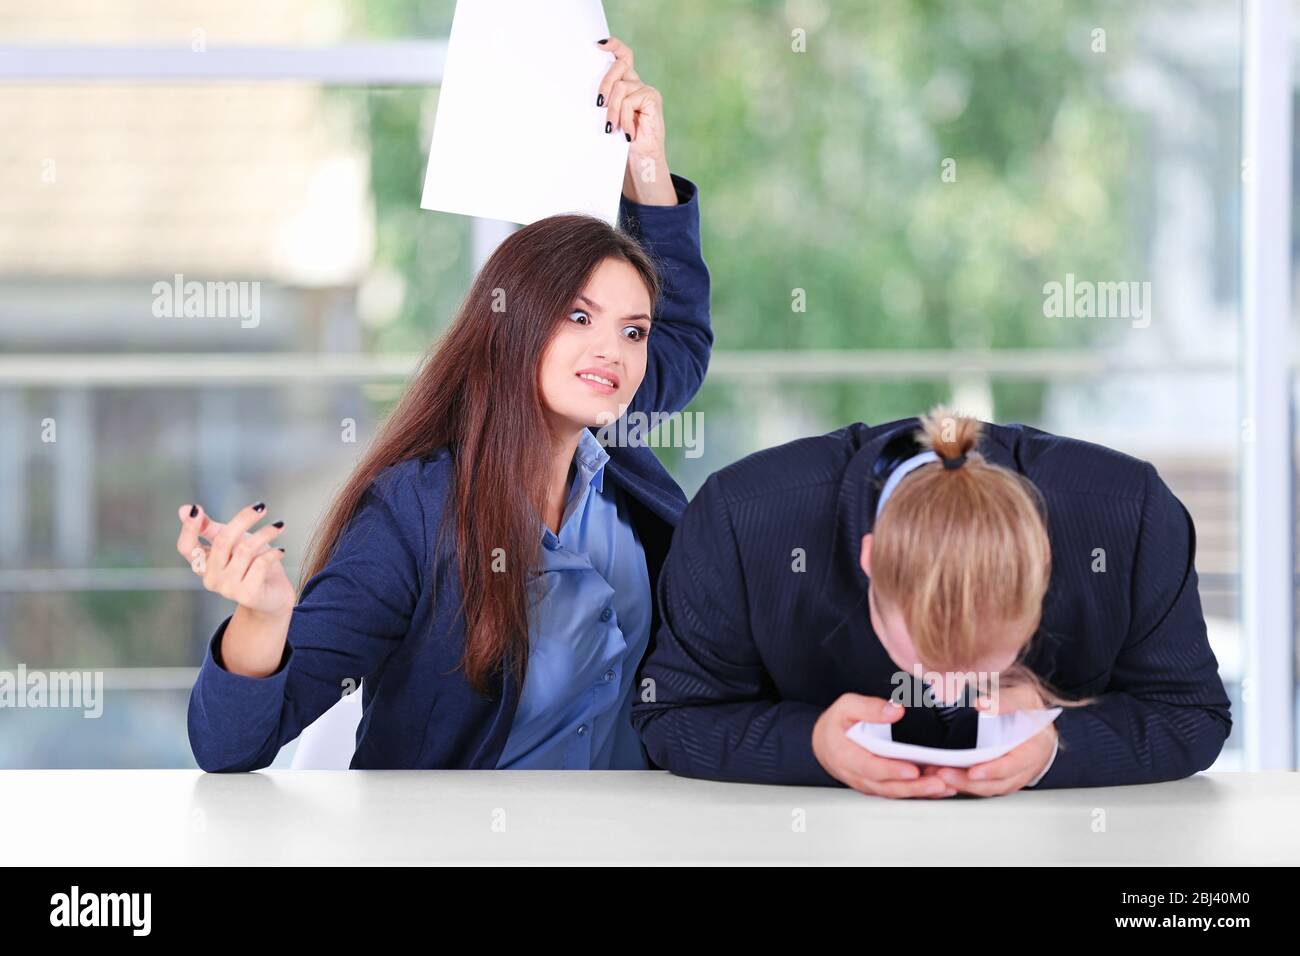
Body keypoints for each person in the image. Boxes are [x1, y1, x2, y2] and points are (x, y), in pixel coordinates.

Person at [179, 38, 712, 772]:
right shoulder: (414, 514)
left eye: (632, 332)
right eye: (579, 318)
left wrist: (644, 160)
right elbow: (229, 746)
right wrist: (264, 617)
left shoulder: (616, 452)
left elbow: (679, 330)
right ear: (515, 324)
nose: (613, 353)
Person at [632, 407, 1231, 797]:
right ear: (869, 564)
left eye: (977, 662)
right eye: (925, 662)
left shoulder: (1131, 515)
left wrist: (1058, 744)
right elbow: (671, 713)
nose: (946, 695)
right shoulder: (742, 519)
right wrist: (814, 744)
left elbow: (1192, 714)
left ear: (1042, 570)